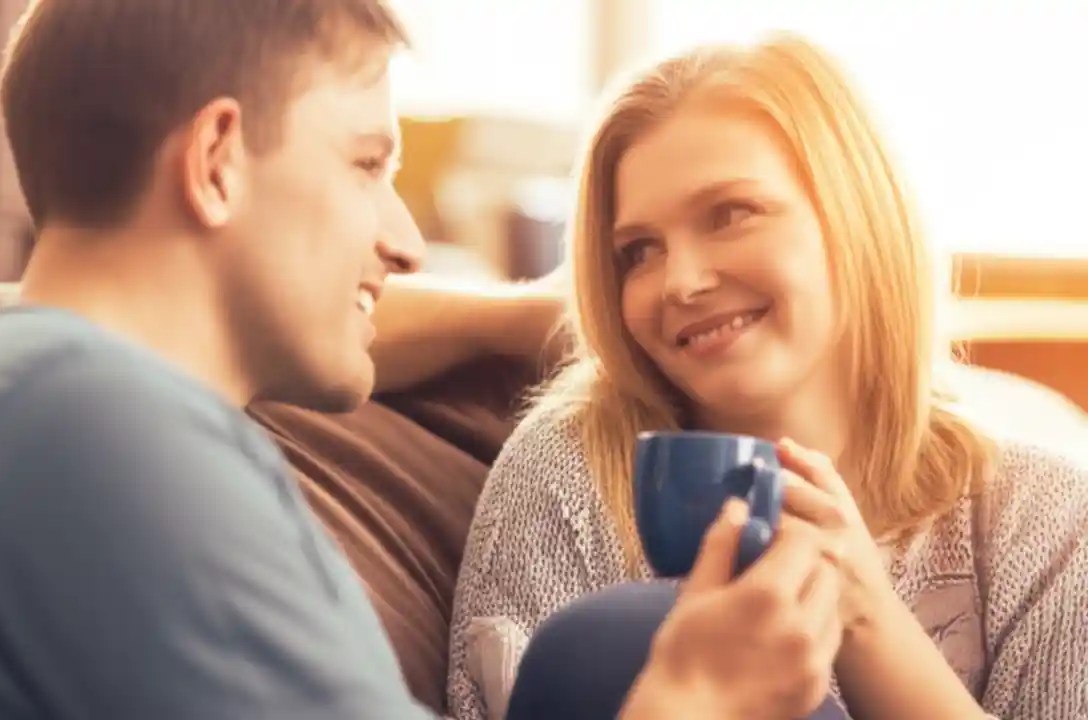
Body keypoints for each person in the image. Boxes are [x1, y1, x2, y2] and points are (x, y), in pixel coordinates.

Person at [0, 3, 851, 719]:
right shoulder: (88, 431)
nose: (404, 237)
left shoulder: (48, 399)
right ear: (215, 162)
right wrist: (695, 698)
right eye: (368, 164)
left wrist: (509, 321)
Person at [449, 33, 1088, 720]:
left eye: (730, 214)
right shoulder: (568, 475)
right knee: (615, 641)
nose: (681, 283)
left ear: (856, 214)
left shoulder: (1047, 519)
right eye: (639, 251)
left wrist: (867, 620)